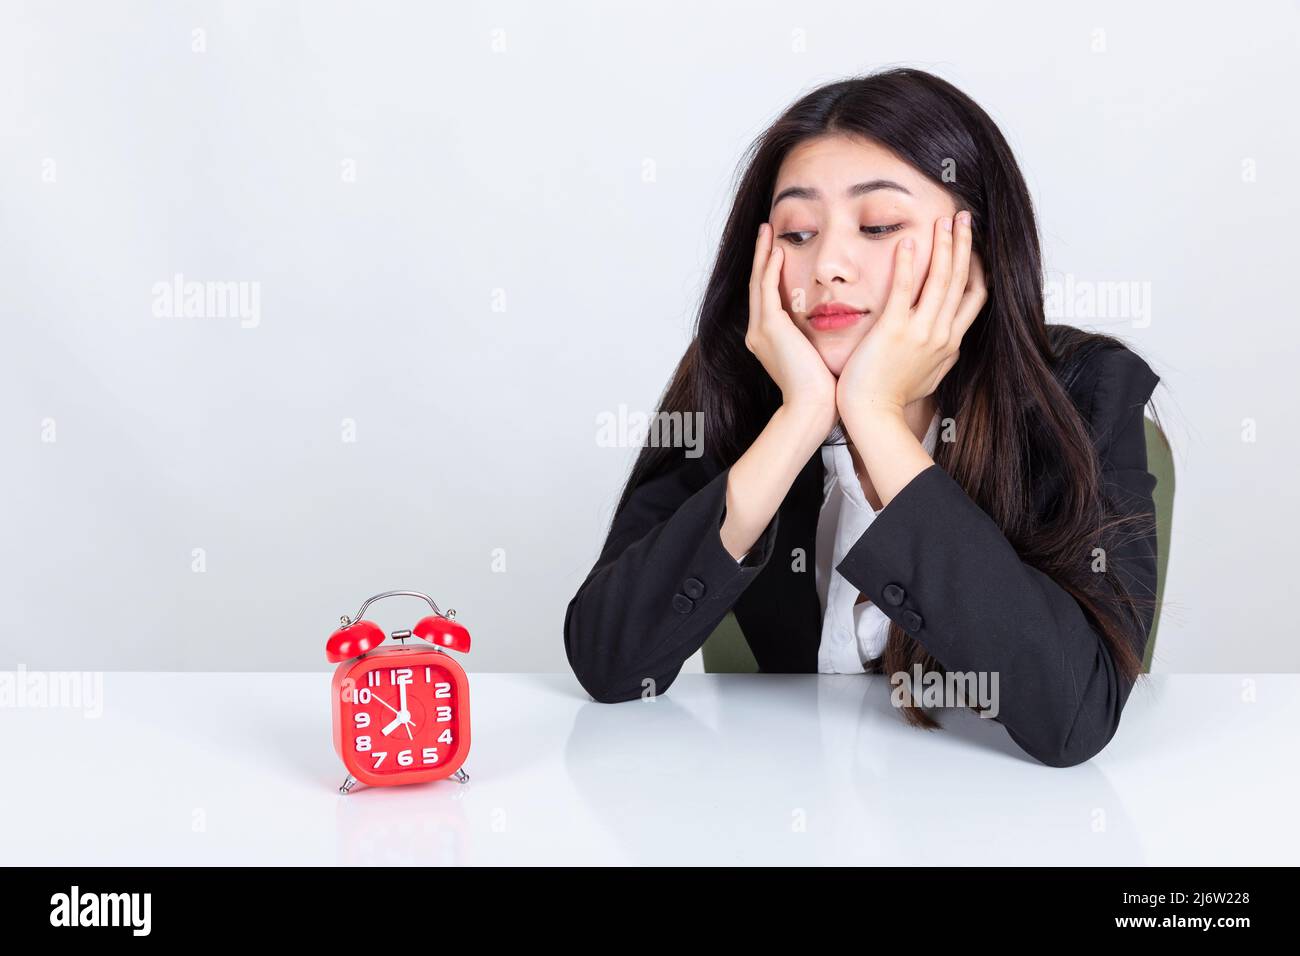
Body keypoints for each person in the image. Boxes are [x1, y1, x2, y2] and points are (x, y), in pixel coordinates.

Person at [563, 68, 1164, 768]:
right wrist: (800, 418)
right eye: (796, 233)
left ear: (977, 247)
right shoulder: (733, 383)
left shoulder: (1088, 391)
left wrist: (874, 418)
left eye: (878, 225)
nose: (828, 266)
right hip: (783, 806)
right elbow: (609, 662)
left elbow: (1074, 716)